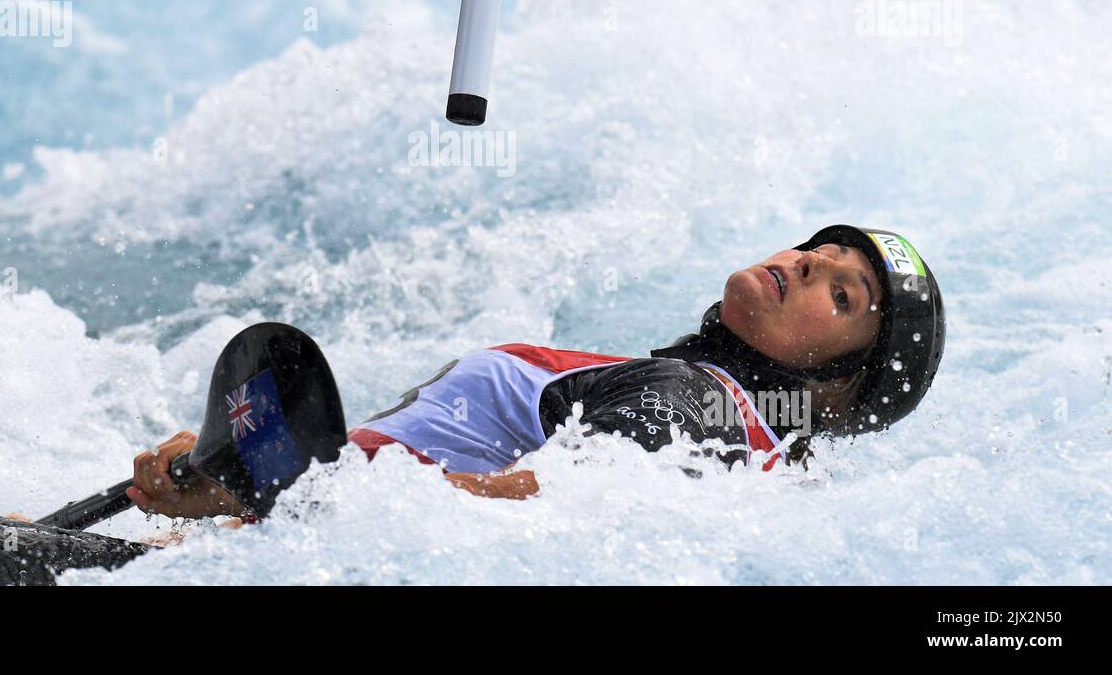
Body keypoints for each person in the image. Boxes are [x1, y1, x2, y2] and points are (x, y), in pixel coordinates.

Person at [126, 224, 945, 517]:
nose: (806, 265)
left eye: (843, 295)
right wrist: (235, 490)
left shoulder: (687, 398)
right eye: (820, 251)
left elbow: (553, 509)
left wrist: (302, 488)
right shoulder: (743, 438)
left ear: (834, 386)